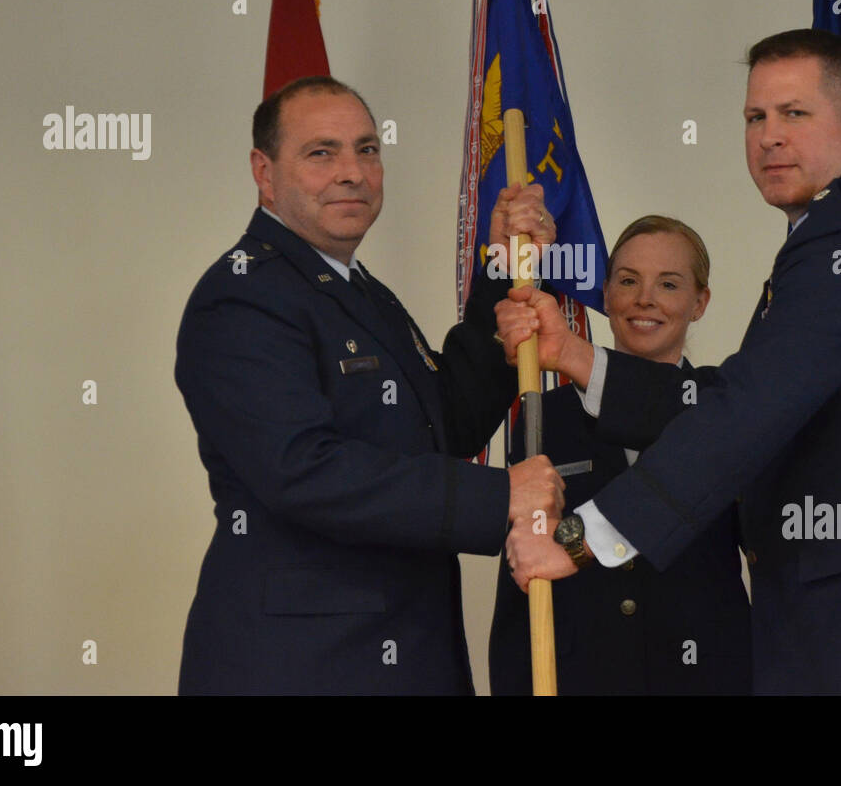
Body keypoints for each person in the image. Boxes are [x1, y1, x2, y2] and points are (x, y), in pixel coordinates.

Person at [502, 29, 841, 695]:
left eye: (795, 113)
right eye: (755, 117)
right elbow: (745, 399)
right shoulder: (839, 235)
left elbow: (746, 410)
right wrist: (575, 356)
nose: (769, 136)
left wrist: (584, 538)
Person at [174, 75, 564, 695]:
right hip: (307, 667)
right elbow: (303, 469)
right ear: (264, 172)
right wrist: (499, 498)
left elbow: (447, 422)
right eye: (321, 152)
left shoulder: (356, 291)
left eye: (368, 149)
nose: (352, 171)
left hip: (403, 655)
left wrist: (498, 269)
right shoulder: (242, 295)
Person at [488, 217, 751, 695]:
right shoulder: (544, 416)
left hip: (704, 677)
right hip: (580, 679)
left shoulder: (726, 407)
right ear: (606, 293)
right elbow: (522, 575)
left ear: (700, 303)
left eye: (668, 284)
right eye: (628, 281)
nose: (644, 299)